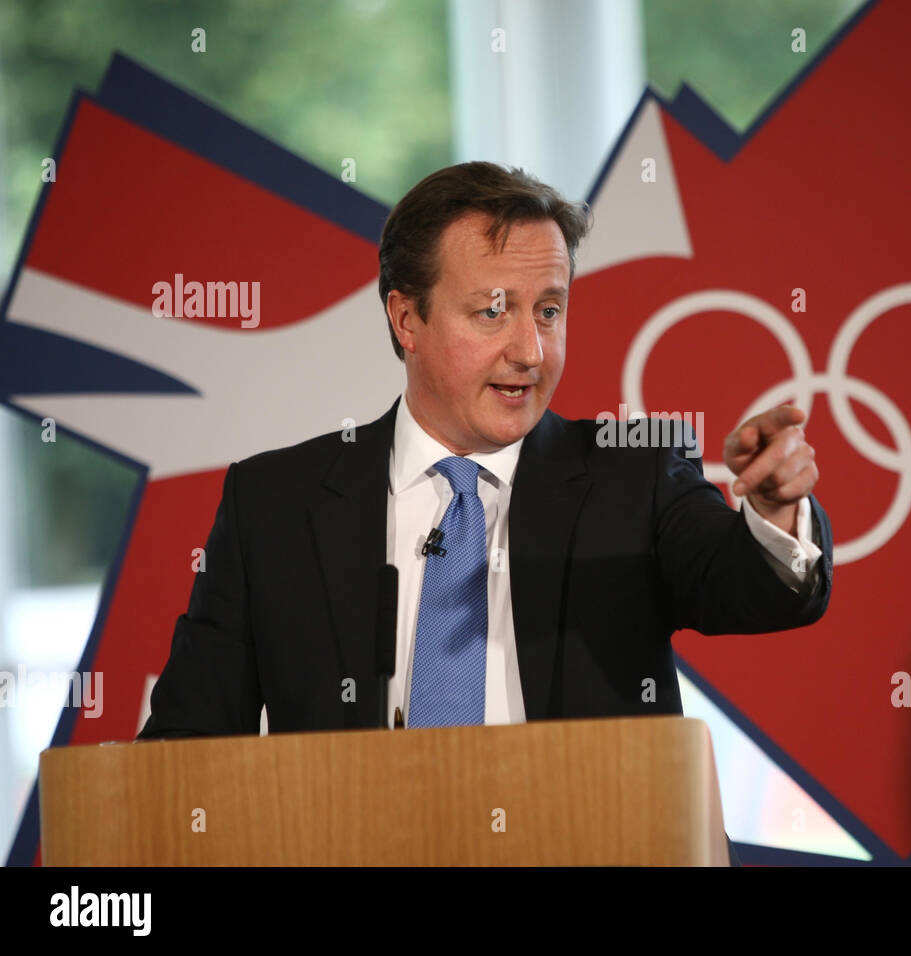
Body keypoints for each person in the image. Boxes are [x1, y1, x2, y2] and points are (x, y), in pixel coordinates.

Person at [137, 161, 834, 865]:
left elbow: (745, 583)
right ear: (407, 317)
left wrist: (774, 513)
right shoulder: (275, 505)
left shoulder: (634, 473)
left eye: (550, 311)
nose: (530, 351)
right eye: (493, 311)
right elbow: (182, 752)